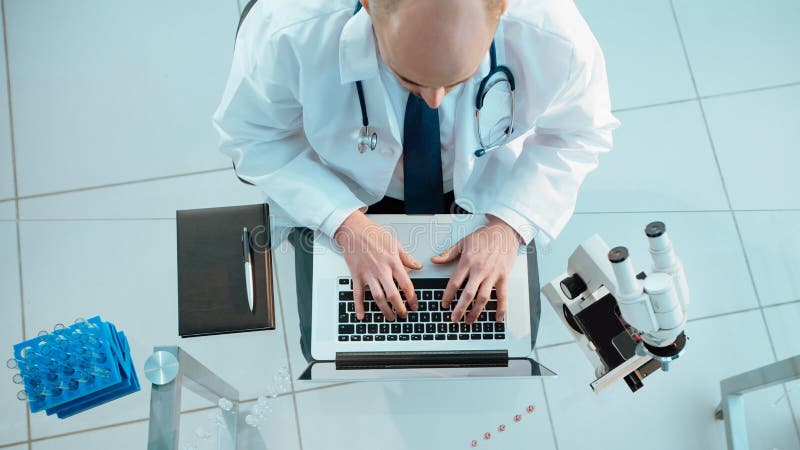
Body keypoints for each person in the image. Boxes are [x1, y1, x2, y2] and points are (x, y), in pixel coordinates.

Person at [213, 0, 620, 330]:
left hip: (481, 185)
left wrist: (508, 227)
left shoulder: (555, 33)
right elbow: (252, 137)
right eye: (409, 79)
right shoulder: (289, 27)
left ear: (501, 6)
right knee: (333, 338)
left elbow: (578, 133)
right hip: (339, 187)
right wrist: (344, 223)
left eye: (457, 80)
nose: (434, 100)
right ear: (369, 5)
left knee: (504, 333)